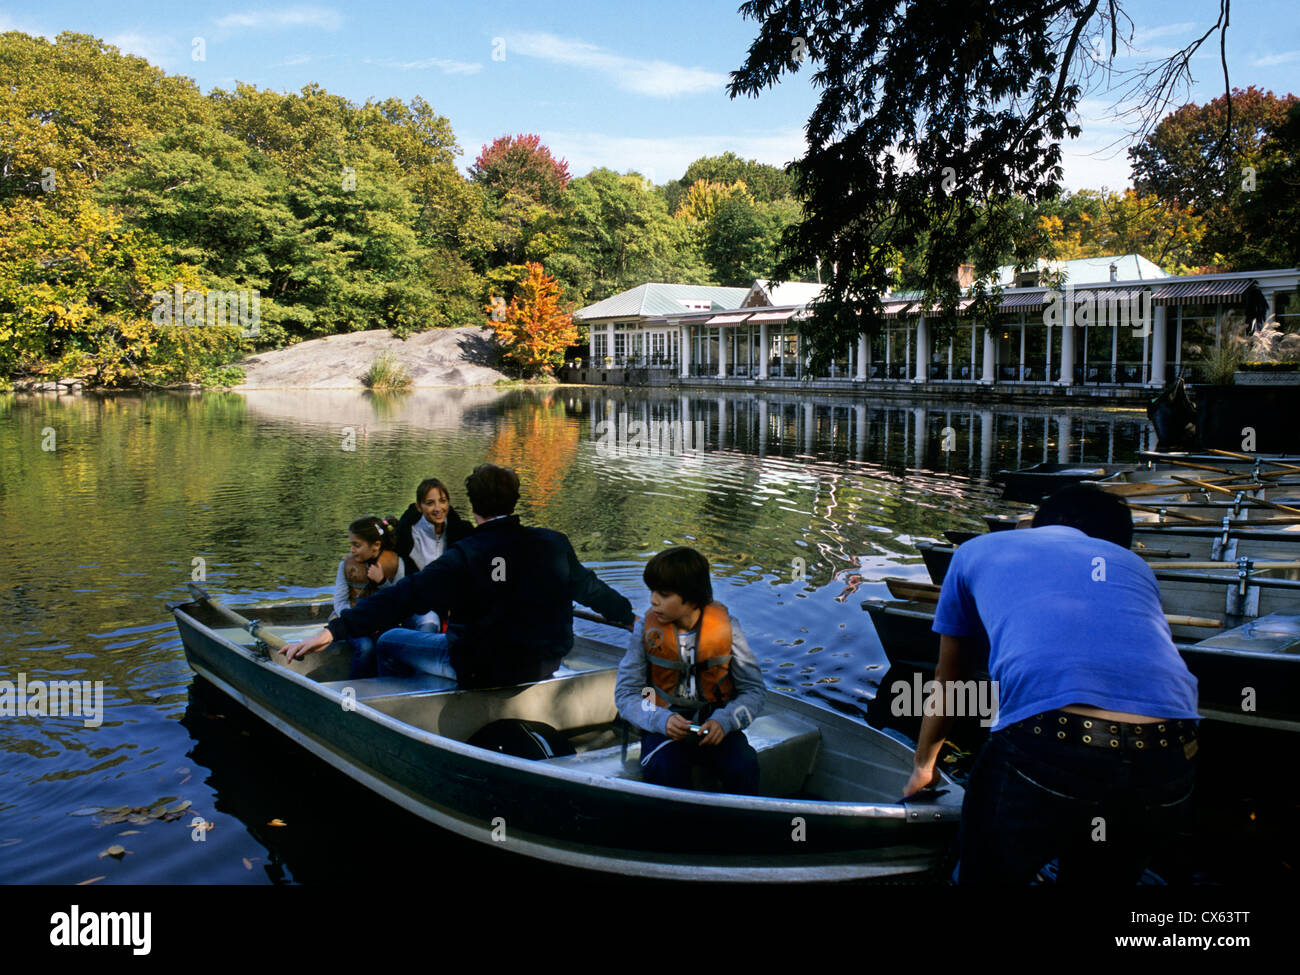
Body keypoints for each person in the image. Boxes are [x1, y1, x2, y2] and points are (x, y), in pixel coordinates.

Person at [903, 484, 1199, 884]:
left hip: (1053, 738)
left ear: (1037, 522)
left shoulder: (975, 550)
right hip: (1173, 748)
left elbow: (949, 681)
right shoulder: (1133, 566)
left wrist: (924, 766)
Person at [282, 464, 635, 686]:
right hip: (544, 663)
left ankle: (400, 711)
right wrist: (629, 617)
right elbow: (591, 589)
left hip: (481, 669)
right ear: (515, 500)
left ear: (473, 505)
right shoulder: (553, 543)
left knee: (389, 639)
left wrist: (334, 630)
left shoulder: (465, 554)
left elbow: (403, 595)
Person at [614, 547, 766, 795]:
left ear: (692, 597)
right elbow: (626, 694)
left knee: (744, 766)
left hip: (716, 725)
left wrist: (725, 721)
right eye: (652, 591)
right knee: (664, 768)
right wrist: (661, 720)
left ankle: (740, 826)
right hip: (662, 724)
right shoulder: (645, 631)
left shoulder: (729, 629)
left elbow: (754, 691)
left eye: (663, 594)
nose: (653, 601)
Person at [392, 478, 474, 631]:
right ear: (419, 507)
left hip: (450, 604)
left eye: (442, 501)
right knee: (430, 622)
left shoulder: (460, 531)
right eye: (430, 503)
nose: (438, 508)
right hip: (418, 604)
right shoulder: (407, 535)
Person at [329, 516, 404, 679]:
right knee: (365, 646)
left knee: (388, 642)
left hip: (382, 623)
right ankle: (354, 689)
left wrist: (382, 581)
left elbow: (400, 599)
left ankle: (387, 685)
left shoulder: (397, 563)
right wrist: (355, 618)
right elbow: (339, 602)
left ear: (376, 545)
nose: (351, 550)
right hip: (350, 620)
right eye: (351, 544)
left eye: (356, 545)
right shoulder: (345, 565)